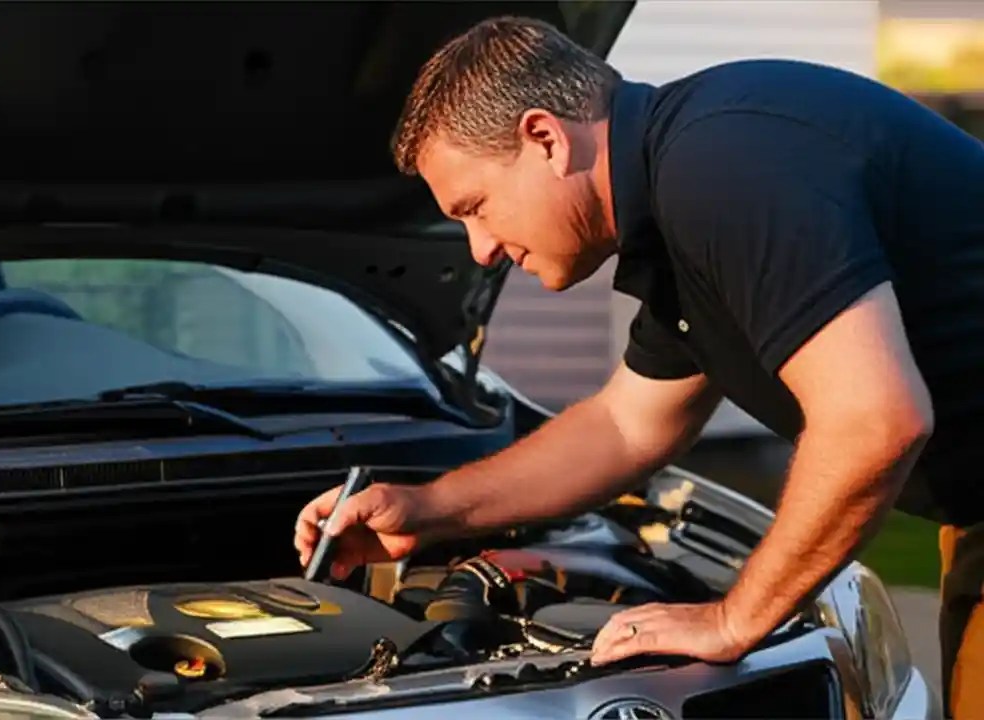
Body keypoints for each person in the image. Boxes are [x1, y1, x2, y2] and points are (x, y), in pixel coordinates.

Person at [292, 16, 984, 717]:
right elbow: (625, 426)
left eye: (475, 207)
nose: (479, 250)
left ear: (544, 139)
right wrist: (426, 508)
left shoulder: (726, 165)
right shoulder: (679, 197)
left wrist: (733, 617)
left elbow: (875, 421)